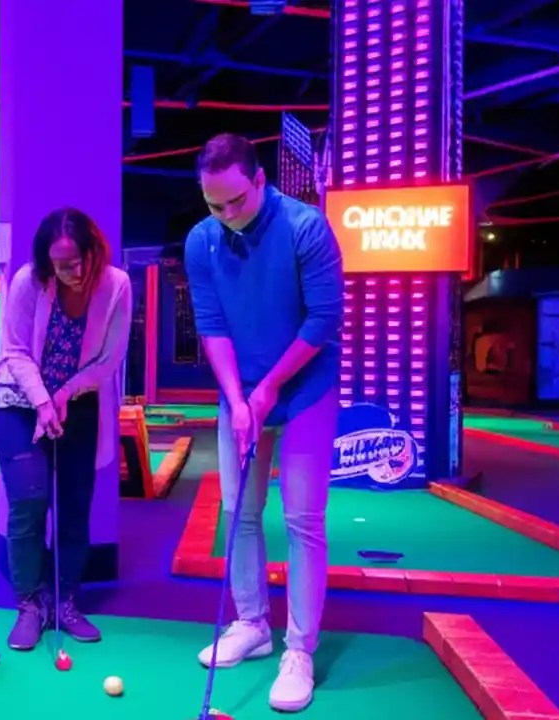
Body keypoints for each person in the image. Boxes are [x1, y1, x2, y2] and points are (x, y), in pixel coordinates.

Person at [184, 133, 344, 713]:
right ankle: (252, 625)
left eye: (236, 202)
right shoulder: (202, 242)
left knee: (302, 520)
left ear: (260, 181)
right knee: (239, 511)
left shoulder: (306, 228)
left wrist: (270, 387)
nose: (227, 216)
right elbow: (212, 323)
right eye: (214, 205)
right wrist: (237, 397)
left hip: (304, 391)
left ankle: (299, 650)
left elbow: (324, 318)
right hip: (241, 393)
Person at [0, 207, 133, 652]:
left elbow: (109, 359)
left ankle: (65, 601)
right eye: (63, 264)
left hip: (79, 401)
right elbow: (14, 350)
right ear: (48, 262)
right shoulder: (29, 281)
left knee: (73, 505)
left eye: (80, 259)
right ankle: (30, 605)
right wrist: (44, 401)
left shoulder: (117, 285)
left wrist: (64, 394)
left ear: (93, 251)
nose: (74, 271)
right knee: (29, 500)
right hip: (16, 399)